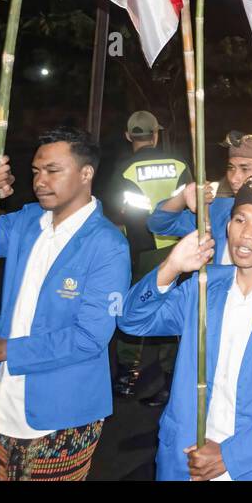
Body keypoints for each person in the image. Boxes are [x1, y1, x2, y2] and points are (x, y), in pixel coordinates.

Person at [0, 127, 130, 481]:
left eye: (54, 171)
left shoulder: (107, 245)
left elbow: (89, 338)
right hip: (7, 398)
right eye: (36, 171)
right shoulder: (26, 222)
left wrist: (6, 349)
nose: (41, 181)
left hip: (63, 409)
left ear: (86, 174)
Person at [117, 179, 252, 480]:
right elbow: (131, 319)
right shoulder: (202, 288)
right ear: (228, 227)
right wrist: (172, 266)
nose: (247, 232)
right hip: (184, 458)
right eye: (239, 219)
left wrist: (229, 455)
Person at [148, 131, 252, 290]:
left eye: (245, 169)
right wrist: (184, 196)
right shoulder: (218, 209)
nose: (234, 178)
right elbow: (159, 224)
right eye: (231, 168)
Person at [106, 111, 190, 399]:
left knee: (135, 306)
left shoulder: (124, 168)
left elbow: (117, 210)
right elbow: (191, 202)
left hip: (140, 249)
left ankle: (128, 375)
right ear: (156, 134)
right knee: (171, 308)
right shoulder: (179, 164)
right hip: (178, 248)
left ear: (129, 136)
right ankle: (170, 378)